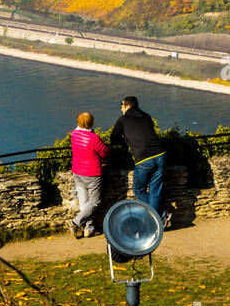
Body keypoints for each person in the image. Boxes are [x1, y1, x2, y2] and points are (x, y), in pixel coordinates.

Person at [111, 95, 170, 224]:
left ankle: (161, 215)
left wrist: (126, 142)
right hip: (160, 154)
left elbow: (113, 139)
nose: (121, 109)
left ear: (127, 106)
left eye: (121, 106)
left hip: (144, 158)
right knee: (155, 190)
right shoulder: (147, 116)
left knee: (138, 190)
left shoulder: (123, 120)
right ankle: (159, 218)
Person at [69, 112, 107, 239]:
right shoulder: (94, 138)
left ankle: (89, 229)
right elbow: (104, 152)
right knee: (95, 202)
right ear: (91, 123)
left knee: (85, 202)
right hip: (92, 173)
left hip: (77, 171)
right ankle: (75, 222)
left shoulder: (74, 135)